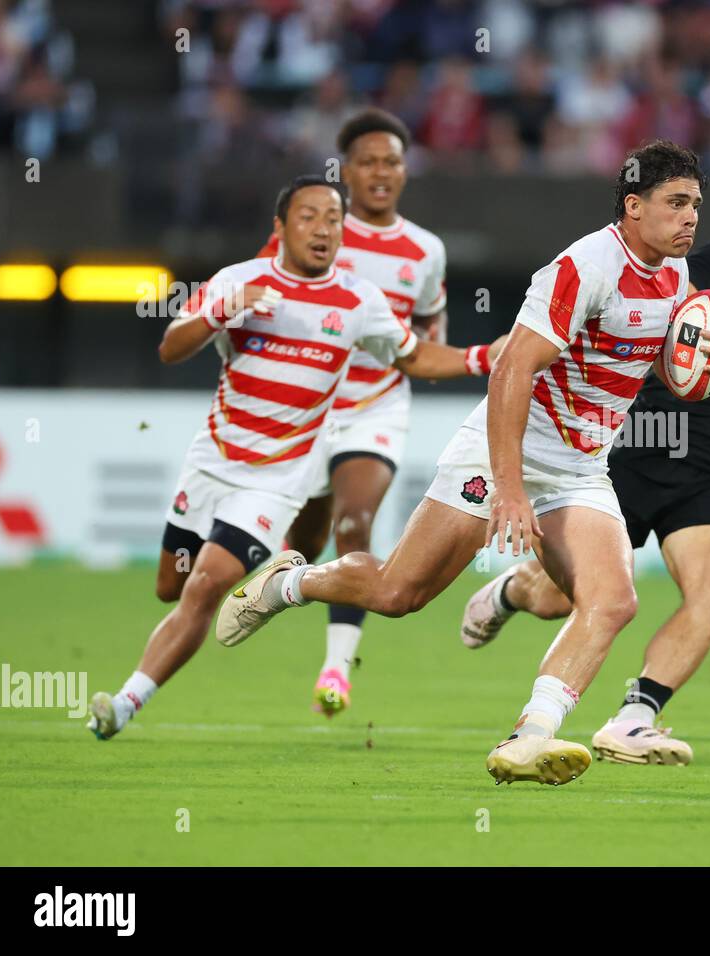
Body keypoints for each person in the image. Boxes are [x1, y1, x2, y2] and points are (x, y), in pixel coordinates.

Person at [214, 141, 710, 787]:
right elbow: (511, 371)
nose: (691, 217)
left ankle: (529, 738)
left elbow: (683, 373)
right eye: (677, 203)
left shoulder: (676, 280)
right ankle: (288, 584)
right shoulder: (584, 266)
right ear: (634, 207)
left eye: (697, 204)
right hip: (503, 446)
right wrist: (508, 488)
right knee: (398, 593)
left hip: (579, 466)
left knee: (611, 601)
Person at [459, 153, 710, 766]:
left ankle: (633, 719)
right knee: (561, 598)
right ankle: (513, 591)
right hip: (645, 443)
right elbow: (676, 297)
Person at [87, 176, 499, 740]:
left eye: (333, 218)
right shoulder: (240, 281)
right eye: (308, 217)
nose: (323, 228)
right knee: (172, 584)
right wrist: (224, 311)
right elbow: (171, 346)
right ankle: (270, 580)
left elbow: (413, 355)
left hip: (277, 479)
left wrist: (482, 357)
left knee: (207, 586)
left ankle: (126, 702)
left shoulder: (357, 300)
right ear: (279, 228)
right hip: (211, 462)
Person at [258, 109, 458, 718]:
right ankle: (280, 581)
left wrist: (442, 357)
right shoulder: (317, 233)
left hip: (378, 405)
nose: (381, 172)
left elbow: (430, 326)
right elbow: (266, 296)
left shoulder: (425, 250)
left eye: (392, 161)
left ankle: (336, 669)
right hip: (307, 407)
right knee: (308, 536)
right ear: (344, 170)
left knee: (356, 520)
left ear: (404, 170)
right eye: (368, 161)